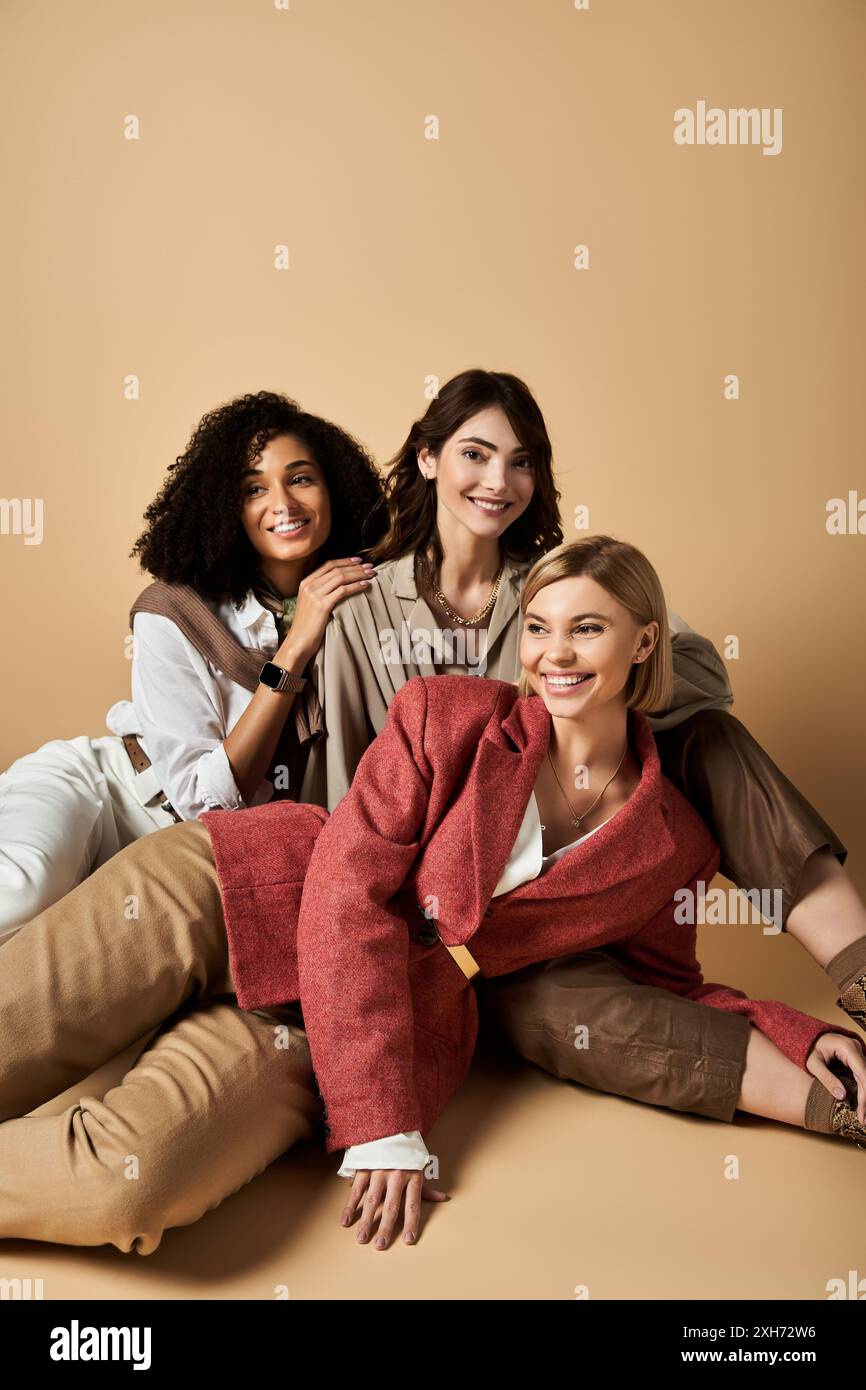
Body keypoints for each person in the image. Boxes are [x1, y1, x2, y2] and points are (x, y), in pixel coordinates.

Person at [0, 537, 863, 1256]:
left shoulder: (670, 840)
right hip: (232, 893)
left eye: (587, 629)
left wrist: (802, 1032)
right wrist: (380, 1123)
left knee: (130, 1189)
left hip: (329, 1028)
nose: (554, 656)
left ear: (645, 641)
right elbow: (345, 892)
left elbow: (672, 987)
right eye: (537, 629)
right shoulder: (446, 714)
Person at [314, 367, 851, 1123]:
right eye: (475, 454)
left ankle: (856, 978)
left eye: (523, 460)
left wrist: (567, 668)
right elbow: (346, 800)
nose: (499, 480)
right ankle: (834, 1105)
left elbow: (703, 678)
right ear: (428, 458)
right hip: (446, 895)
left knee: (711, 739)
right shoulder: (359, 607)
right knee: (559, 1010)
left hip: (562, 876)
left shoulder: (555, 590)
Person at [0, 390, 385, 938]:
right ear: (226, 507)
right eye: (254, 488)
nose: (283, 502)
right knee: (22, 894)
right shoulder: (172, 610)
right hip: (115, 798)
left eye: (301, 478)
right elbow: (206, 804)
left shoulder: (364, 604)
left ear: (334, 489)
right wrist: (294, 647)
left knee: (62, 949)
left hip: (203, 866)